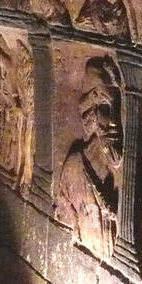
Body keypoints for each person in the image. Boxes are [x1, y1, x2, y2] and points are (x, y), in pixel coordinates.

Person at [54, 57, 124, 259]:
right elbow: (65, 214)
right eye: (105, 110)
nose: (114, 123)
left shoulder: (111, 167)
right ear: (91, 115)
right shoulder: (74, 167)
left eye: (115, 110)